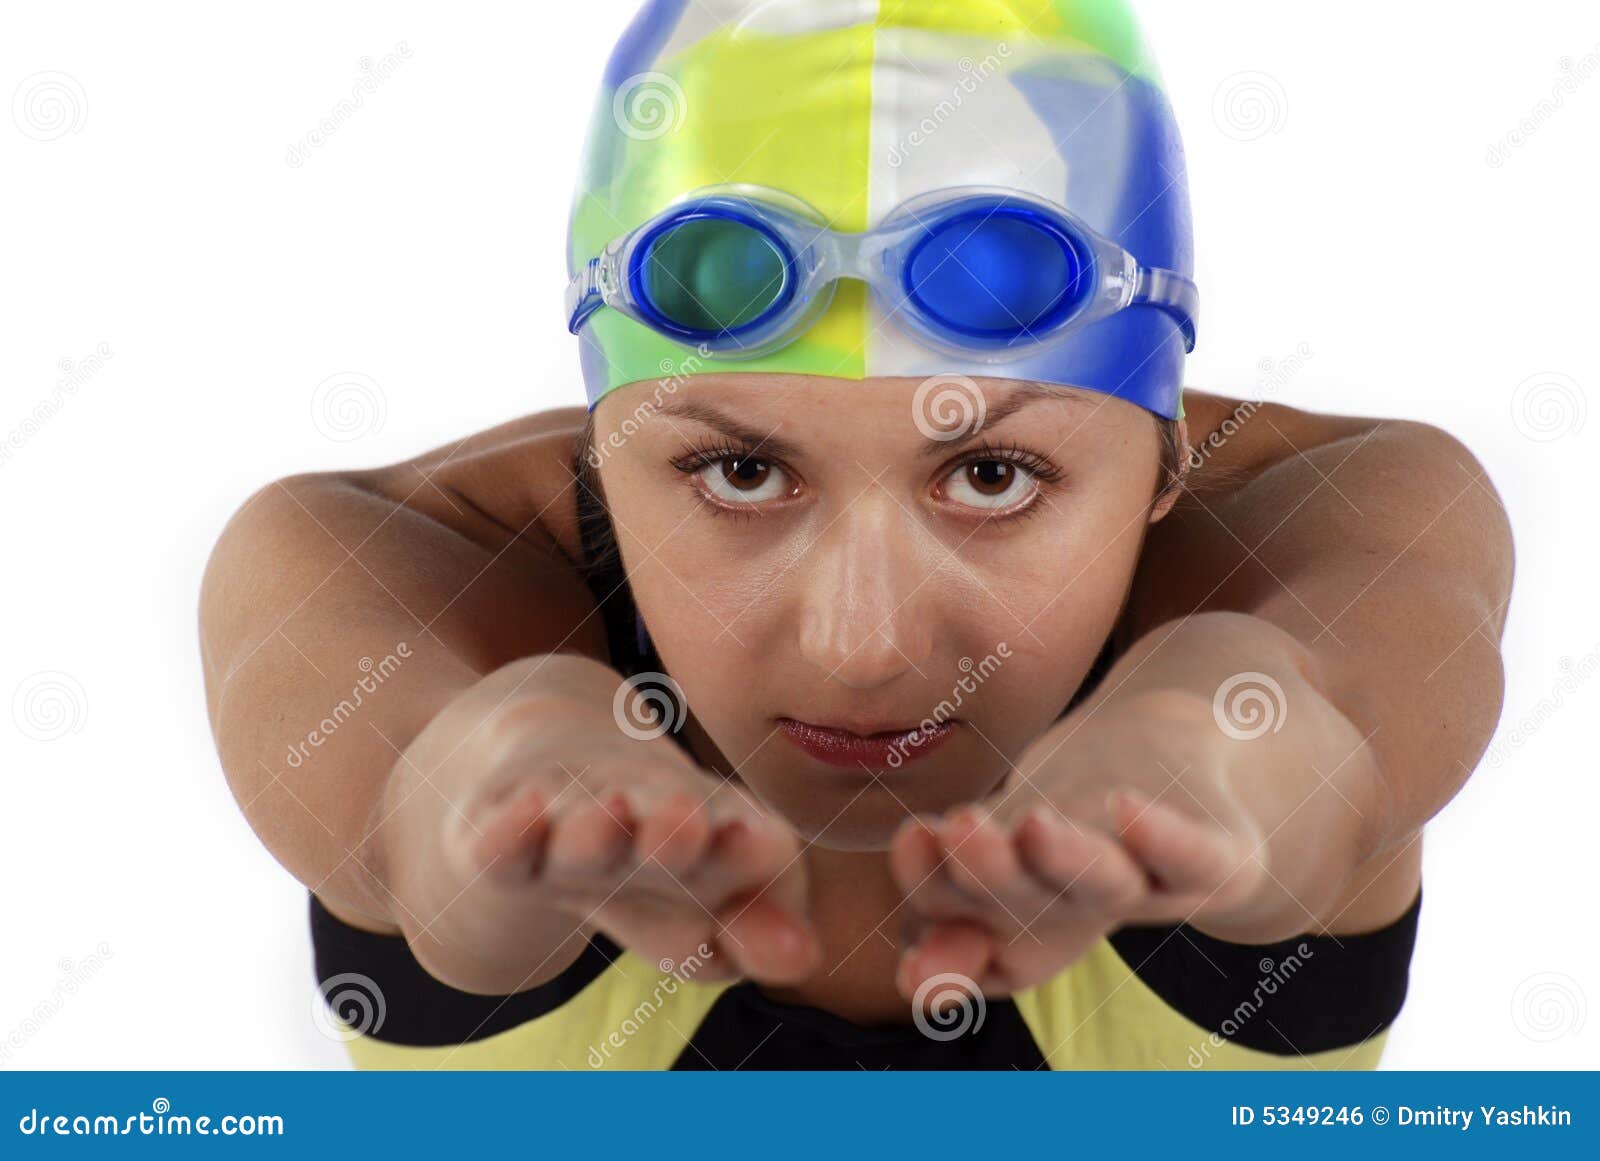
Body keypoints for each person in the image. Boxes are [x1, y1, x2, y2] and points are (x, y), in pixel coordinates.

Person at [199, 0, 1512, 1069]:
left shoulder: (1352, 515)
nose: (865, 646)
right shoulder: (371, 559)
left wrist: (1215, 750)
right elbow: (408, 805)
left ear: (1169, 451)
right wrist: (495, 779)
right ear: (602, 444)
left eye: (990, 475)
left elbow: (1325, 729)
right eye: (742, 471)